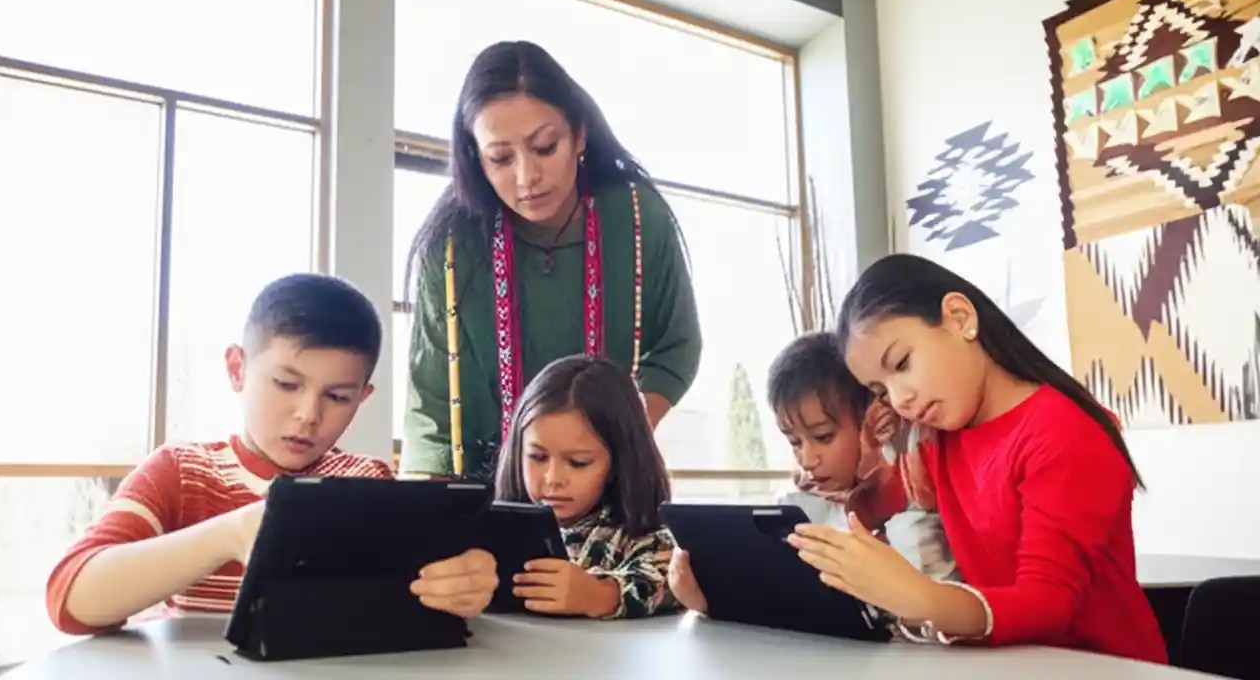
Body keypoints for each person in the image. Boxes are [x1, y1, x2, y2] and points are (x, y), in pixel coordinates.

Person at [45, 274, 498, 634]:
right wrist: (231, 533)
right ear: (238, 369)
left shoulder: (367, 482)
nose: (307, 415)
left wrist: (460, 586)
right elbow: (71, 601)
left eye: (337, 396)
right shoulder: (182, 471)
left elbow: (409, 605)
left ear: (363, 398)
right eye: (286, 384)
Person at [787, 253, 1166, 663]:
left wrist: (921, 598)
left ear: (959, 317)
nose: (900, 398)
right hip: (1012, 667)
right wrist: (860, 460)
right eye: (881, 391)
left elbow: (1048, 605)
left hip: (1108, 669)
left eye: (902, 364)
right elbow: (872, 506)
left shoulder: (1065, 431)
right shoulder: (940, 439)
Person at [401, 40, 701, 481]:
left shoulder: (638, 218)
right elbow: (430, 410)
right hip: (483, 490)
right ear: (474, 158)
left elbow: (677, 347)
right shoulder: (450, 246)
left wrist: (616, 435)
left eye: (544, 147)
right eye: (500, 158)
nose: (527, 177)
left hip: (607, 486)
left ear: (579, 134)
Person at [668, 331, 957, 617]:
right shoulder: (797, 509)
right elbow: (778, 604)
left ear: (875, 422)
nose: (807, 459)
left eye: (823, 436)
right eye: (794, 442)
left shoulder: (914, 505)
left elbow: (935, 609)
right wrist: (707, 603)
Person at [493, 355, 678, 619]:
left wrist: (599, 595)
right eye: (537, 457)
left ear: (620, 461)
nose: (552, 478)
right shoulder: (493, 530)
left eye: (578, 462)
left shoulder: (643, 536)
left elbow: (670, 580)